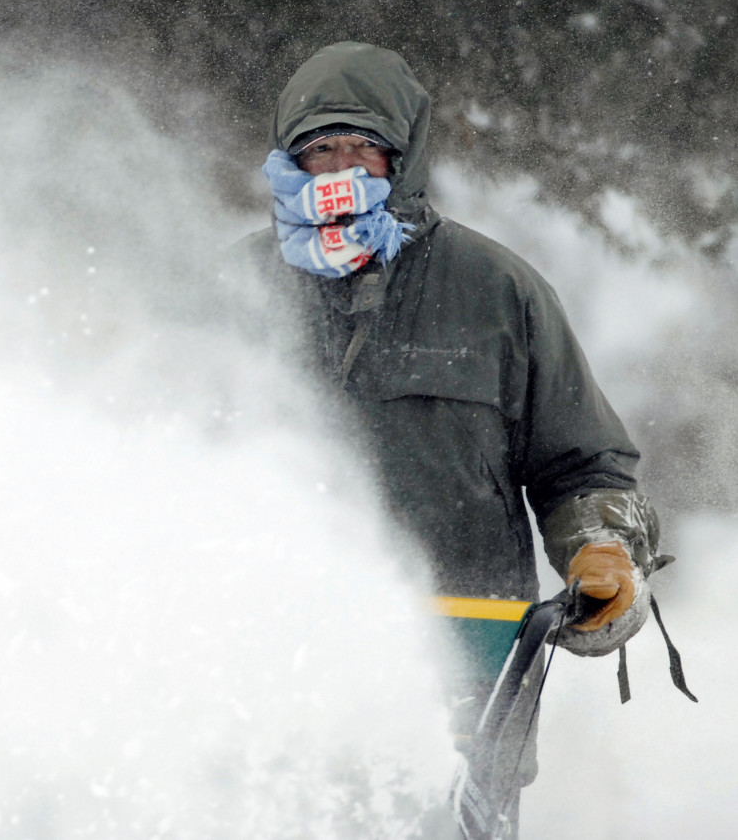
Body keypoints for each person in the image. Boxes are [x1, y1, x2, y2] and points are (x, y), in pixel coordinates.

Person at [240, 41, 666, 834]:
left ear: (403, 157)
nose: (339, 169)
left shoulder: (497, 291)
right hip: (263, 693)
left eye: (362, 147)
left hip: (468, 690)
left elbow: (584, 466)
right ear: (288, 159)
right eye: (320, 149)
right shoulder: (226, 290)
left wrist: (601, 549)